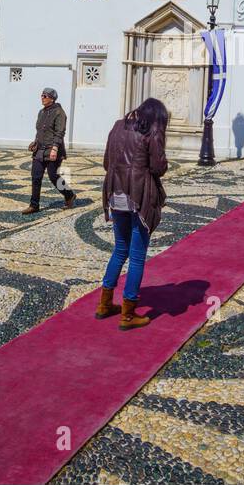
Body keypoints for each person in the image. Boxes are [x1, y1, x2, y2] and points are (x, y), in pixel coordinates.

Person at [97, 97, 170, 331]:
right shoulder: (152, 130)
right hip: (138, 195)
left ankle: (105, 304)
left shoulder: (118, 126)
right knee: (137, 256)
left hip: (115, 193)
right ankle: (128, 315)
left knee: (120, 249)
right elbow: (159, 167)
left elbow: (107, 161)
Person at [24, 87, 75, 214]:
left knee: (53, 176)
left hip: (53, 150)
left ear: (52, 98)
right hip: (39, 150)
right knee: (36, 177)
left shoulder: (59, 112)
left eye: (45, 96)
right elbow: (40, 131)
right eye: (41, 95)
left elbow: (60, 132)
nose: (42, 98)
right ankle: (34, 205)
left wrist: (55, 148)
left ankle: (69, 195)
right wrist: (35, 142)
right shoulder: (41, 112)